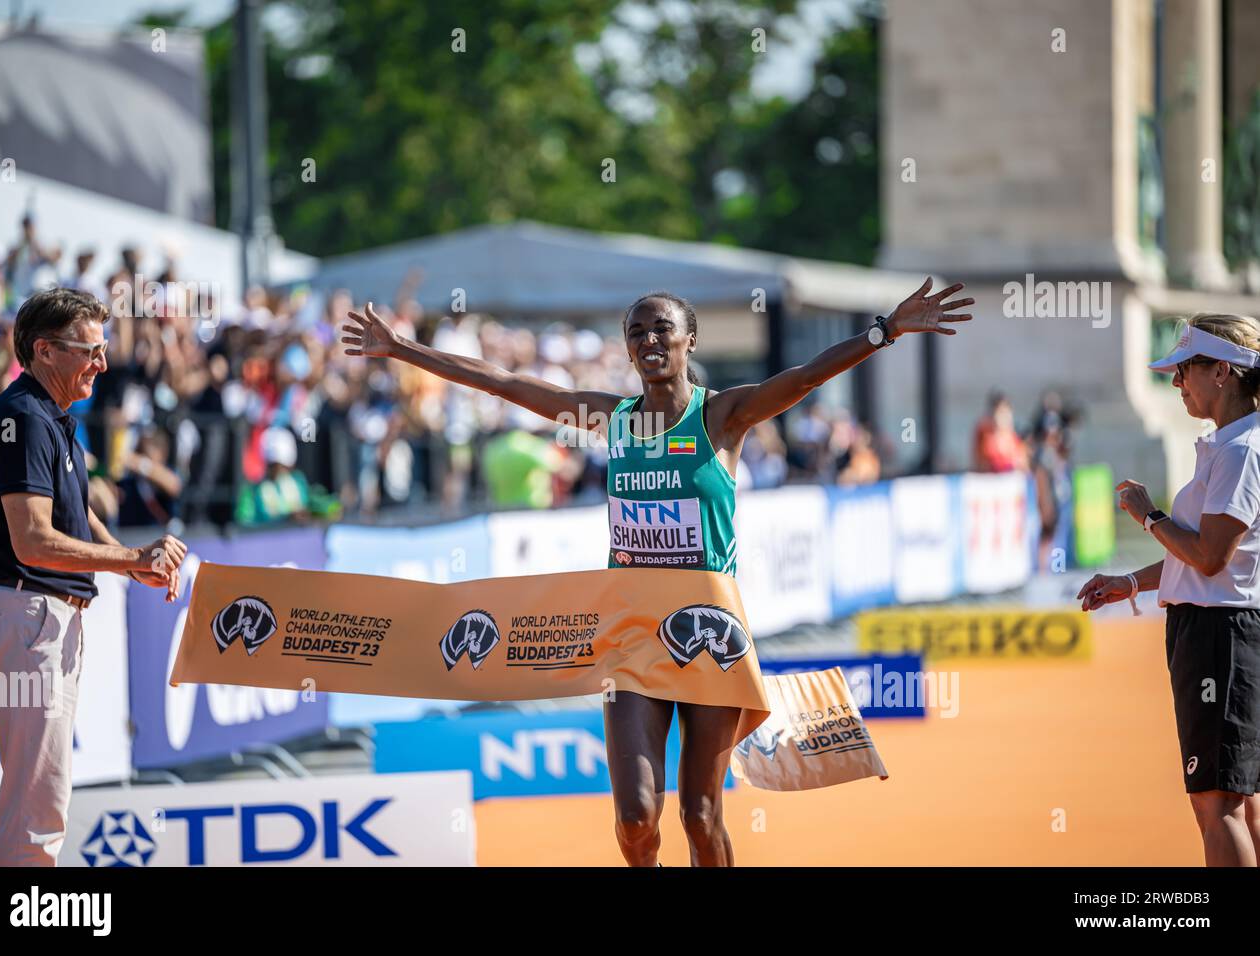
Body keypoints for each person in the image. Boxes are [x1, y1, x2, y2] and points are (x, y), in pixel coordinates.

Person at [342, 277, 973, 866]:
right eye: (636, 332)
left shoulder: (722, 417)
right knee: (637, 816)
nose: (648, 340)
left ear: (689, 340)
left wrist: (884, 330)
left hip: (708, 632)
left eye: (661, 329)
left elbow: (806, 377)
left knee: (701, 816)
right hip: (632, 632)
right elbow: (505, 383)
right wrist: (402, 348)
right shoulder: (613, 420)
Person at [0, 288, 187, 866]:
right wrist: (133, 559)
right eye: (90, 350)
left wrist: (127, 559)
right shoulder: (26, 417)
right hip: (27, 613)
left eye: (104, 348)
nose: (103, 363)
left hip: (34, 615)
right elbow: (33, 539)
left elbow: (75, 512)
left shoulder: (48, 416)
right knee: (36, 805)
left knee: (41, 798)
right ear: (44, 351)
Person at [1076, 314, 1260, 867]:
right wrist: (1130, 582)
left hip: (1219, 635)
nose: (1177, 383)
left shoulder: (1239, 451)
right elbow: (1204, 554)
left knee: (1216, 805)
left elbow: (1209, 557)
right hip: (1218, 630)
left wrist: (1148, 514)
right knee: (1239, 803)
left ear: (1221, 371)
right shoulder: (1230, 445)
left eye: (1184, 370)